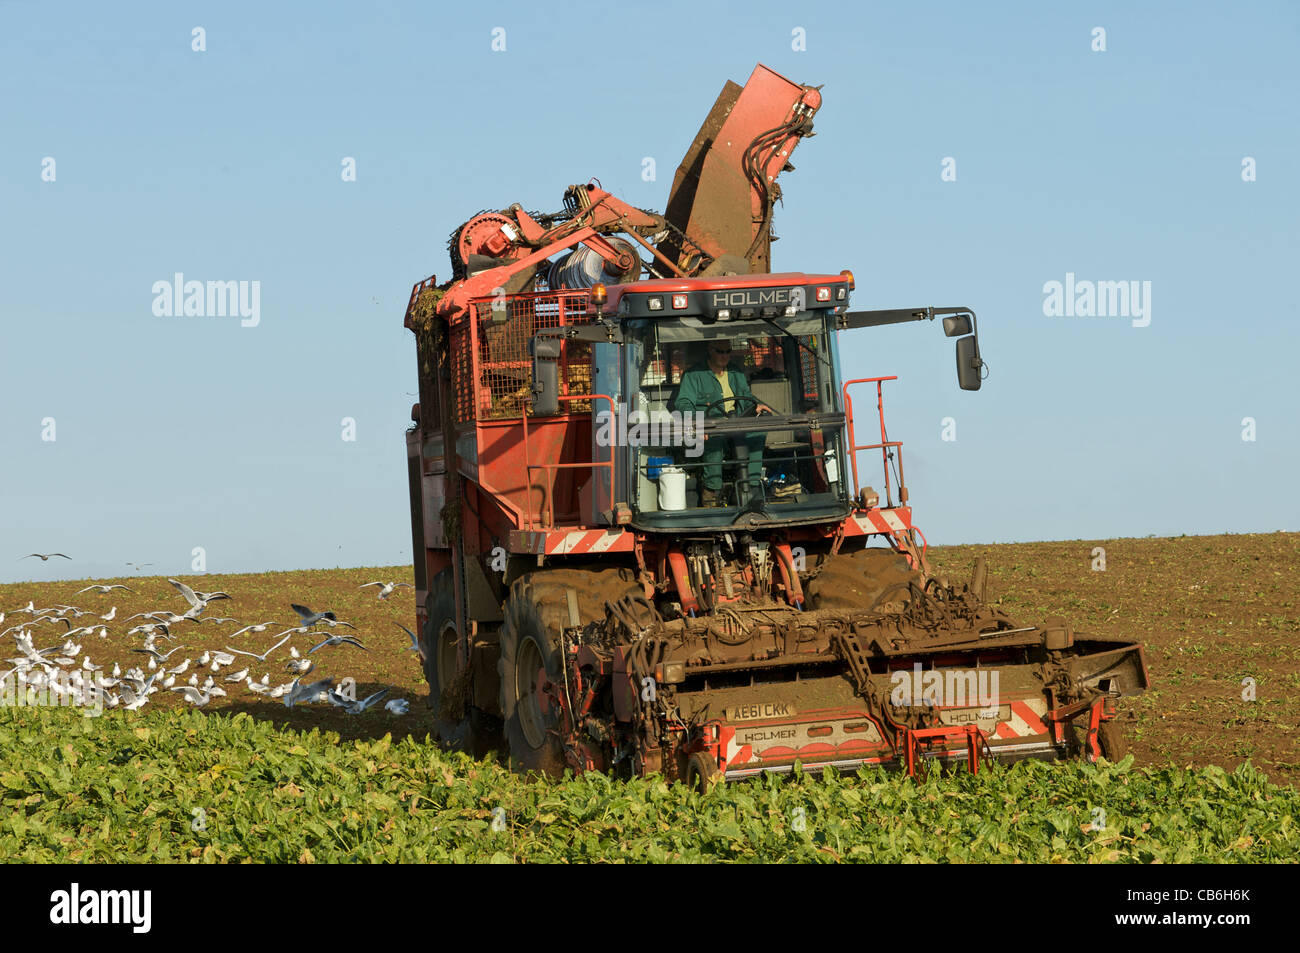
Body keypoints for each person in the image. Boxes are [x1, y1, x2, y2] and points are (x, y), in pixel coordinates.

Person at [673, 340, 773, 506]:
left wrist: (756, 405)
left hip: (737, 421)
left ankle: (753, 489)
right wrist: (696, 423)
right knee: (714, 441)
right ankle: (711, 494)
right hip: (710, 425)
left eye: (728, 351)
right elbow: (683, 403)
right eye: (720, 351)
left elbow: (745, 395)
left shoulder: (735, 372)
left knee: (758, 433)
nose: (725, 356)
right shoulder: (694, 374)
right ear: (709, 350)